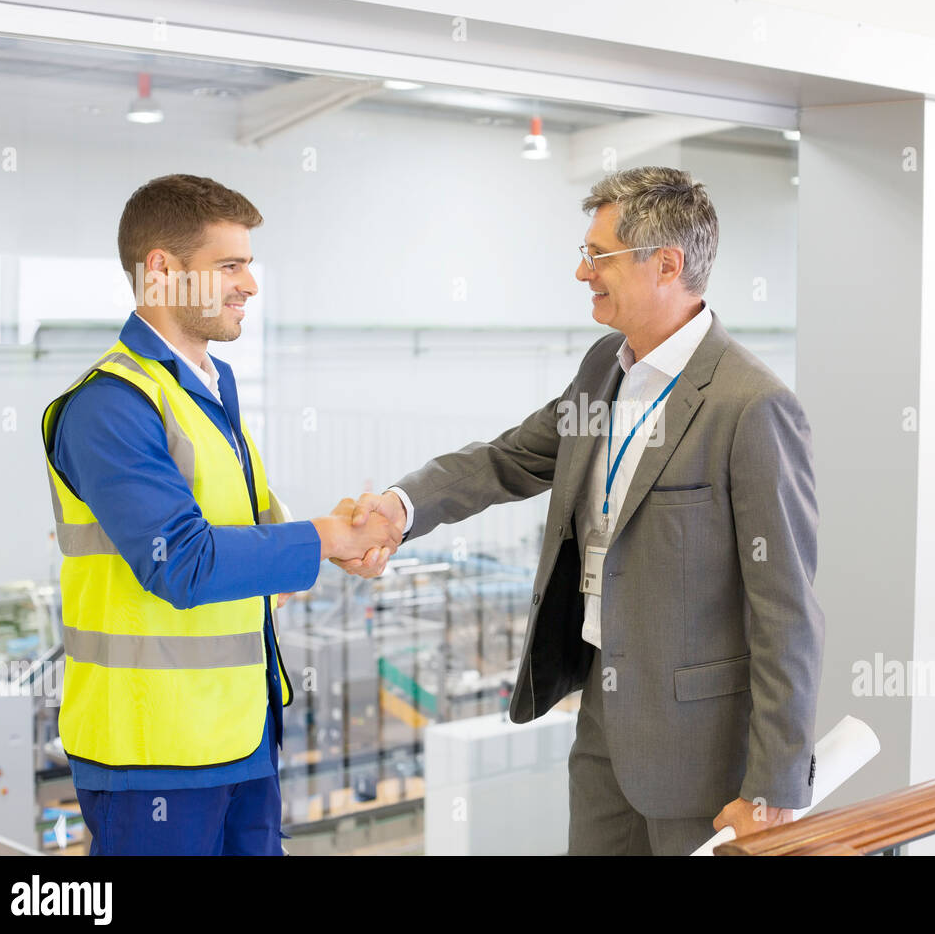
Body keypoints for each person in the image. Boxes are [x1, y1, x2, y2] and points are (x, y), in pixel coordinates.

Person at [343, 166, 825, 855]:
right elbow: (510, 458)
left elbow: (788, 609)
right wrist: (399, 506)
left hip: (702, 749)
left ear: (666, 264)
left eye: (598, 256)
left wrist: (774, 784)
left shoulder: (751, 406)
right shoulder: (605, 368)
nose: (581, 271)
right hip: (603, 712)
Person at [41, 174, 392, 856]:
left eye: (249, 265)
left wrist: (340, 541)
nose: (250, 285)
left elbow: (262, 540)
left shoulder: (210, 387)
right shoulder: (109, 406)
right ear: (163, 271)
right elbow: (188, 563)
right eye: (229, 265)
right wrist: (324, 538)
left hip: (240, 733)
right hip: (152, 755)